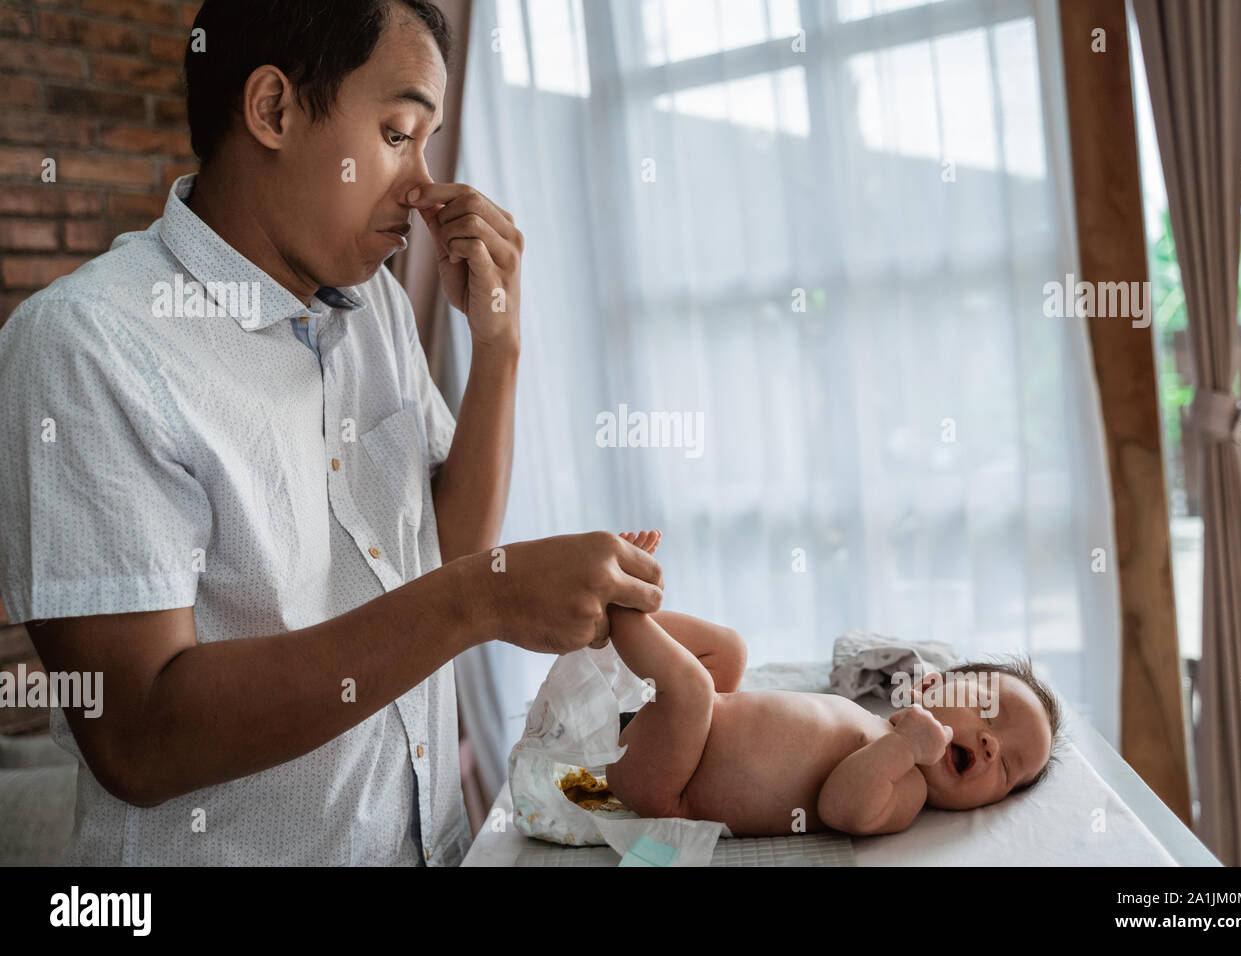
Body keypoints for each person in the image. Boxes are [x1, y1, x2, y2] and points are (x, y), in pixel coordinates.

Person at [0, 0, 661, 866]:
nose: (423, 184)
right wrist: (485, 597)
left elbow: (445, 548)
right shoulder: (89, 345)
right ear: (273, 109)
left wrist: (497, 348)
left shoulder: (373, 304)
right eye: (397, 132)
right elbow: (138, 737)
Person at [604, 532, 1061, 836]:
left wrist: (904, 749)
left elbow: (841, 808)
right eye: (986, 710)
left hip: (670, 787)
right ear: (929, 688)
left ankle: (620, 607)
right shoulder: (871, 722)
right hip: (689, 729)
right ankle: (624, 626)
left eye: (1007, 768)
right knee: (730, 650)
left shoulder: (907, 791)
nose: (990, 745)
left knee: (691, 690)